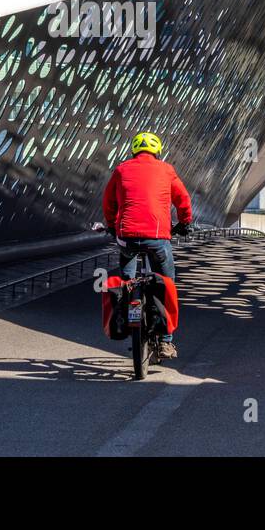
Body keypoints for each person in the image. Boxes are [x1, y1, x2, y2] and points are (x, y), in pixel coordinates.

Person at [102, 131, 193, 359]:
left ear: (133, 151)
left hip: (127, 236)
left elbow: (108, 202)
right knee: (166, 280)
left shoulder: (122, 169)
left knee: (126, 279)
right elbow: (183, 199)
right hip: (157, 236)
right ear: (157, 151)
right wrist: (185, 222)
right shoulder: (166, 169)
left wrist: (112, 226)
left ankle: (123, 316)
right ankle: (166, 341)